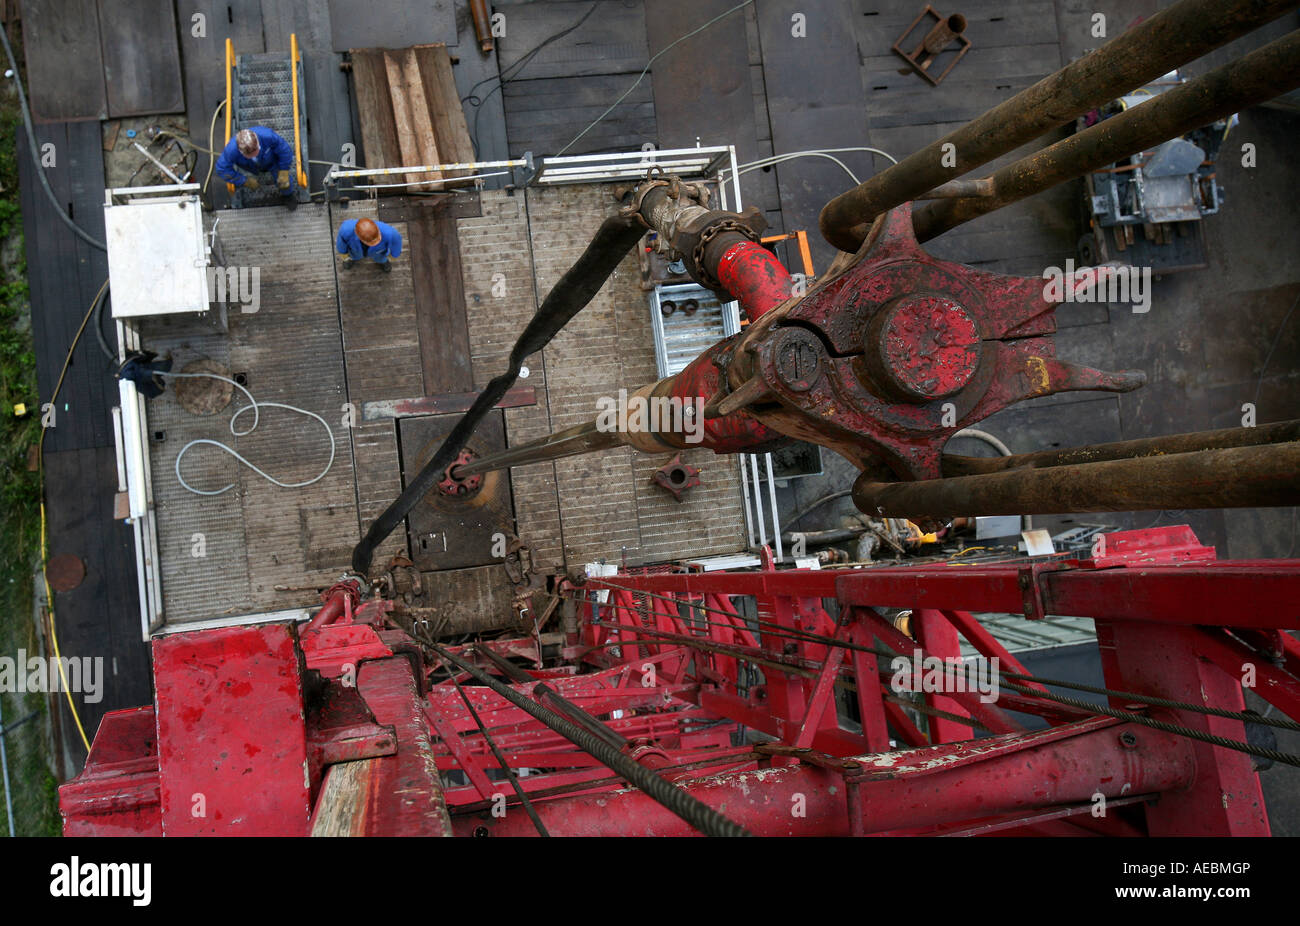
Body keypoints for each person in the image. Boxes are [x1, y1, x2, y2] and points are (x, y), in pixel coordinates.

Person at [215, 127, 298, 210]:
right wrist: (243, 181)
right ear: (240, 151)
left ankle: (288, 195)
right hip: (251, 167)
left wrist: (284, 170)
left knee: (285, 183)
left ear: (258, 143)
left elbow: (284, 150)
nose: (254, 155)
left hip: (273, 162)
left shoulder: (268, 136)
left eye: (255, 151)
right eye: (249, 155)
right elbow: (222, 169)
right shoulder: (231, 150)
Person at [335, 217, 402, 273]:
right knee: (354, 256)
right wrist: (344, 254)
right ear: (357, 234)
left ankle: (383, 262)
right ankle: (350, 260)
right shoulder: (345, 229)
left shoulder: (391, 233)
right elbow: (341, 243)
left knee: (381, 258)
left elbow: (397, 243)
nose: (376, 242)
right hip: (355, 249)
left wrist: (393, 256)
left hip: (379, 252)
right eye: (371, 242)